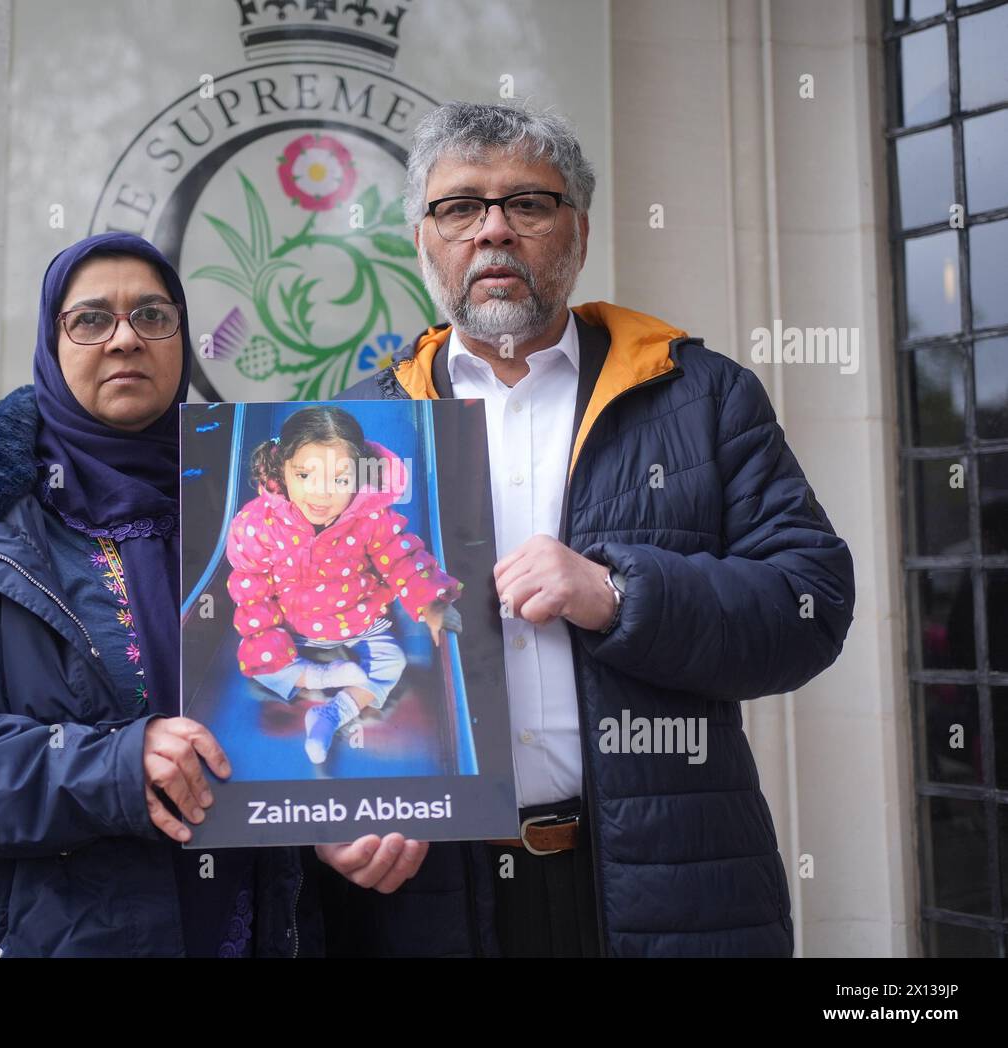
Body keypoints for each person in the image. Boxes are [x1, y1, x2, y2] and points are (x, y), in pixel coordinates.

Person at [315, 101, 857, 957]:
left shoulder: (701, 396)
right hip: (433, 901)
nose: (493, 232)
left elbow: (810, 606)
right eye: (460, 209)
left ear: (580, 232)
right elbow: (303, 642)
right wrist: (332, 817)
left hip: (670, 888)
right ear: (424, 241)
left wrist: (616, 594)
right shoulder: (349, 431)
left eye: (527, 204)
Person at [0, 232, 321, 957]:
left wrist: (341, 814)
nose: (124, 340)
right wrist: (107, 769)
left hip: (242, 919)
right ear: (52, 344)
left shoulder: (256, 504)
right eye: (90, 320)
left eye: (152, 316)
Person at [224, 405, 464, 764]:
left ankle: (332, 712)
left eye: (339, 480)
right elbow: (251, 592)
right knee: (260, 663)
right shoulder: (259, 524)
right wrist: (271, 644)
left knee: (393, 663)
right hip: (291, 627)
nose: (321, 495)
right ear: (282, 468)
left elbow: (402, 558)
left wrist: (431, 603)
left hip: (359, 621)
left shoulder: (369, 518)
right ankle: (315, 675)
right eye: (305, 475)